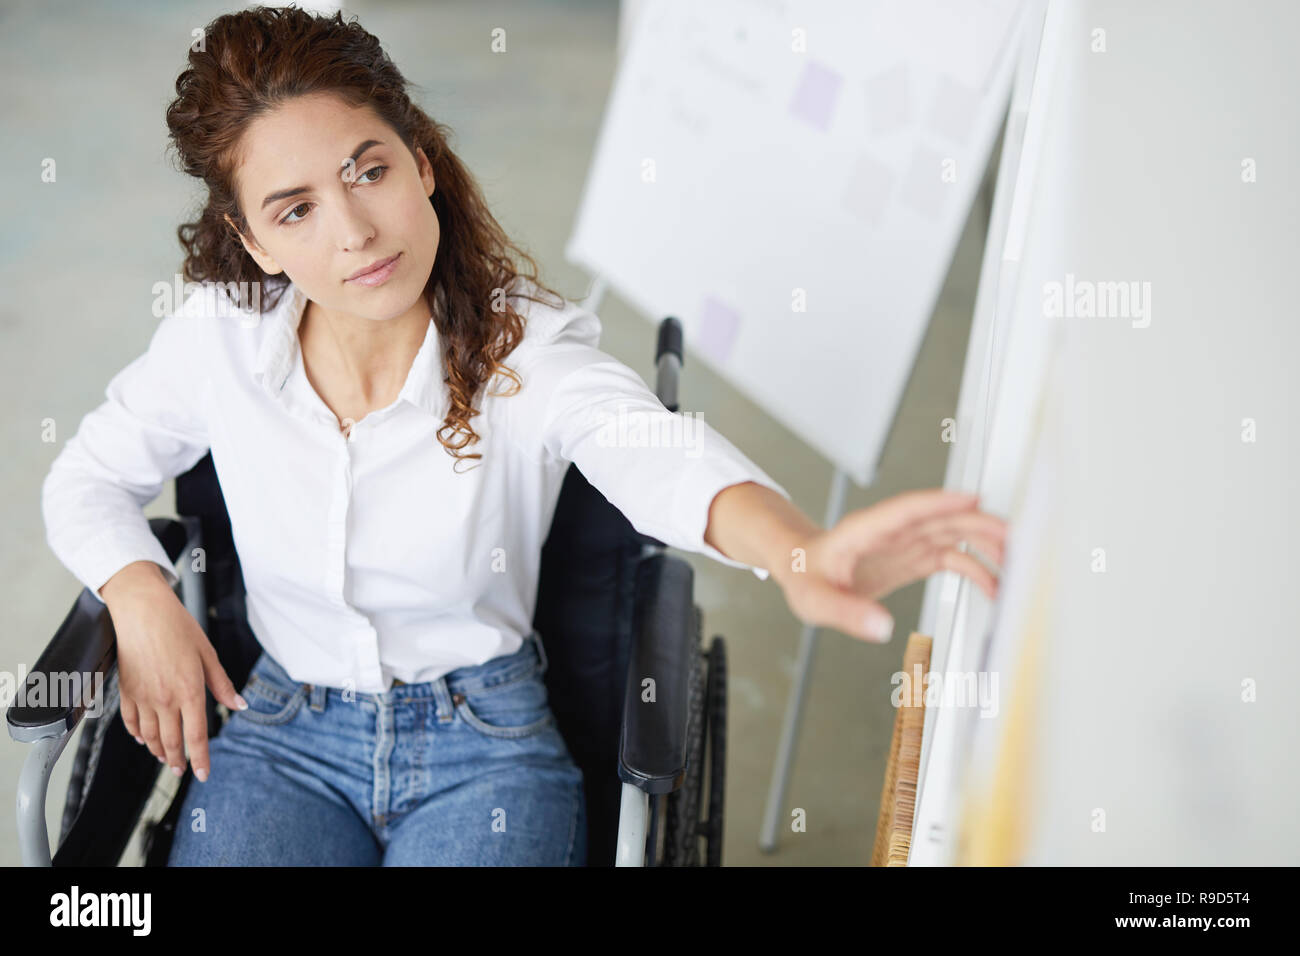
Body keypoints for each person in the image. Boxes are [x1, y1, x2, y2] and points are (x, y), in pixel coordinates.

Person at [41, 6, 1006, 866]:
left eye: (366, 172)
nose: (354, 232)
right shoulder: (221, 340)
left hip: (484, 745)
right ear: (254, 243)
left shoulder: (519, 347)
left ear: (419, 161)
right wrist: (139, 593)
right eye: (295, 210)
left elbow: (653, 452)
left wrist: (799, 550)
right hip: (283, 726)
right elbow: (84, 480)